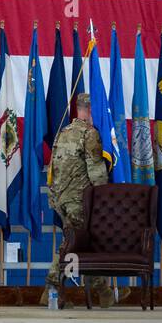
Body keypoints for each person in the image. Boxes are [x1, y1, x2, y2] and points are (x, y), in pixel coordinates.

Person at [47, 91, 113, 308]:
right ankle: (52, 286)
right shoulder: (89, 134)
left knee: (80, 243)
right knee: (71, 244)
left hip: (61, 198)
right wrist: (106, 200)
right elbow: (96, 171)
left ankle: (103, 291)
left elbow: (54, 167)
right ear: (91, 110)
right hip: (79, 199)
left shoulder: (62, 132)